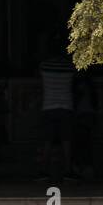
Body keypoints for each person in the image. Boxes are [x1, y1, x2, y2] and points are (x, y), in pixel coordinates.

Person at [36, 39, 77, 181]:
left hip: (48, 106)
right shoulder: (70, 66)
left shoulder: (44, 65)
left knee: (47, 140)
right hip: (66, 106)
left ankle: (43, 171)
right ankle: (67, 170)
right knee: (67, 141)